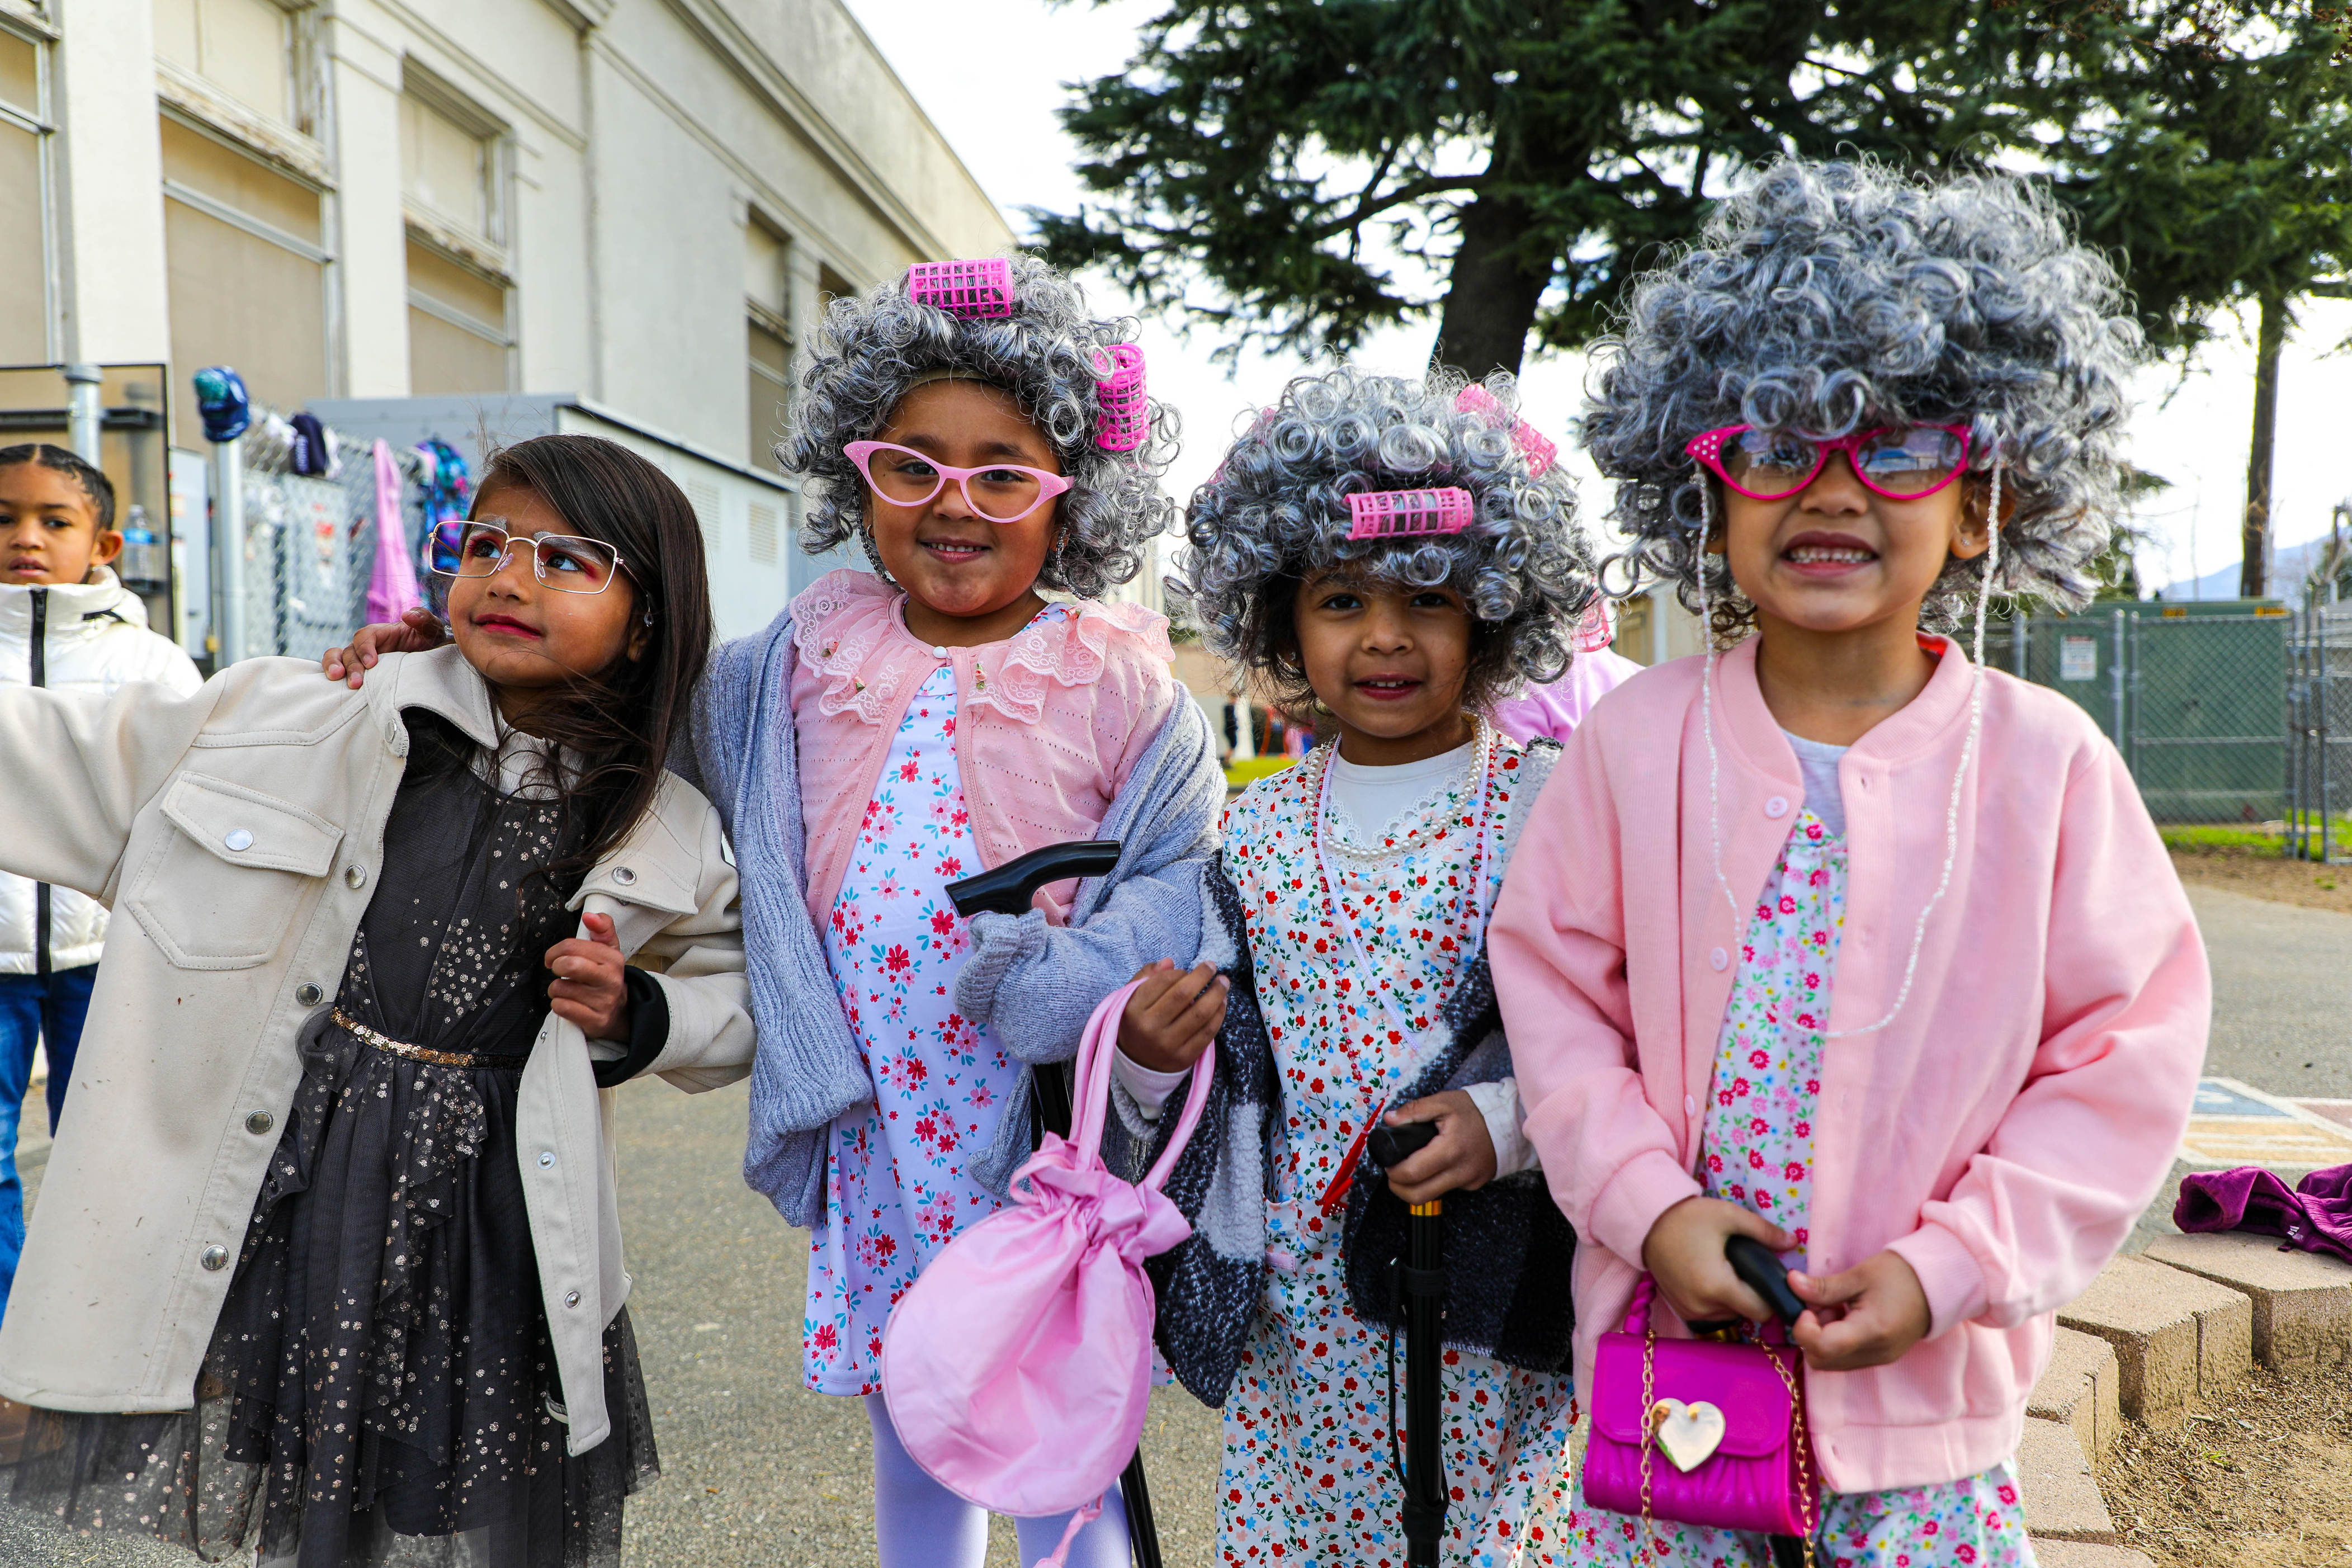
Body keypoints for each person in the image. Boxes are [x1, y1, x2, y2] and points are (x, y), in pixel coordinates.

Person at [328, 254, 1225, 1567]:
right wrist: (456, 648)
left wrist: (1076, 988)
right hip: (878, 1117)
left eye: (1003, 475)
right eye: (911, 466)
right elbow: (624, 717)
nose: (953, 505)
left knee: (1054, 1419)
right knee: (908, 1398)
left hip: (1037, 1123)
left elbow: (1178, 878)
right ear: (856, 474)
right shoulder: (799, 658)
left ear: (1074, 495)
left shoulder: (1121, 683)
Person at [1488, 159, 2211, 1566]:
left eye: (1895, 449)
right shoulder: (1630, 745)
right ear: (1701, 479)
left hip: (1923, 1419)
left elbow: (2125, 1060)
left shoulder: (2047, 764)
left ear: (1986, 499)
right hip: (1668, 1381)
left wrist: (1951, 1269)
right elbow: (1560, 1012)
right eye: (1773, 447)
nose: (1831, 490)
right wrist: (1657, 1211)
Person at [0, 433, 753, 1567]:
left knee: (485, 1502)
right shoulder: (296, 722)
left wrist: (642, 1014)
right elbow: (58, 759)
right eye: (484, 542)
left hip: (499, 1216)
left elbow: (738, 994)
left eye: (566, 558)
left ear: (648, 617)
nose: (508, 575)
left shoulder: (666, 822)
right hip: (314, 1193)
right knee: (319, 1491)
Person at [1124, 367, 1601, 1567]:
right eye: (1341, 600)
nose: (1385, 636)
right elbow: (1223, 1081)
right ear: (1282, 619)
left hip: (1491, 1293)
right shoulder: (1257, 828)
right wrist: (1141, 1056)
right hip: (1305, 1295)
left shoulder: (1551, 808)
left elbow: (1623, 1040)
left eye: (1430, 600)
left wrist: (1509, 1120)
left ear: (1492, 612)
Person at [0, 443, 200, 1324]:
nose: (25, 537)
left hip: (111, 957)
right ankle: (8, 1354)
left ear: (106, 544)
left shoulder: (152, 665)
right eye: (3, 518)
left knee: (113, 1157)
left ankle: (101, 1336)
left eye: (54, 519)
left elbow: (190, 803)